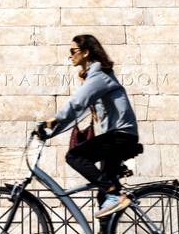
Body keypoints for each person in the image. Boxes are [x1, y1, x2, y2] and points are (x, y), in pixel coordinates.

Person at [43, 34, 141, 219]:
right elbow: (79, 112)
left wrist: (54, 119)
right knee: (102, 196)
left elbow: (77, 103)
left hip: (121, 136)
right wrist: (51, 133)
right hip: (120, 135)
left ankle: (114, 194)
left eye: (73, 51)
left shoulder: (100, 75)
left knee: (74, 156)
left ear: (86, 52)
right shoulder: (95, 76)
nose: (70, 56)